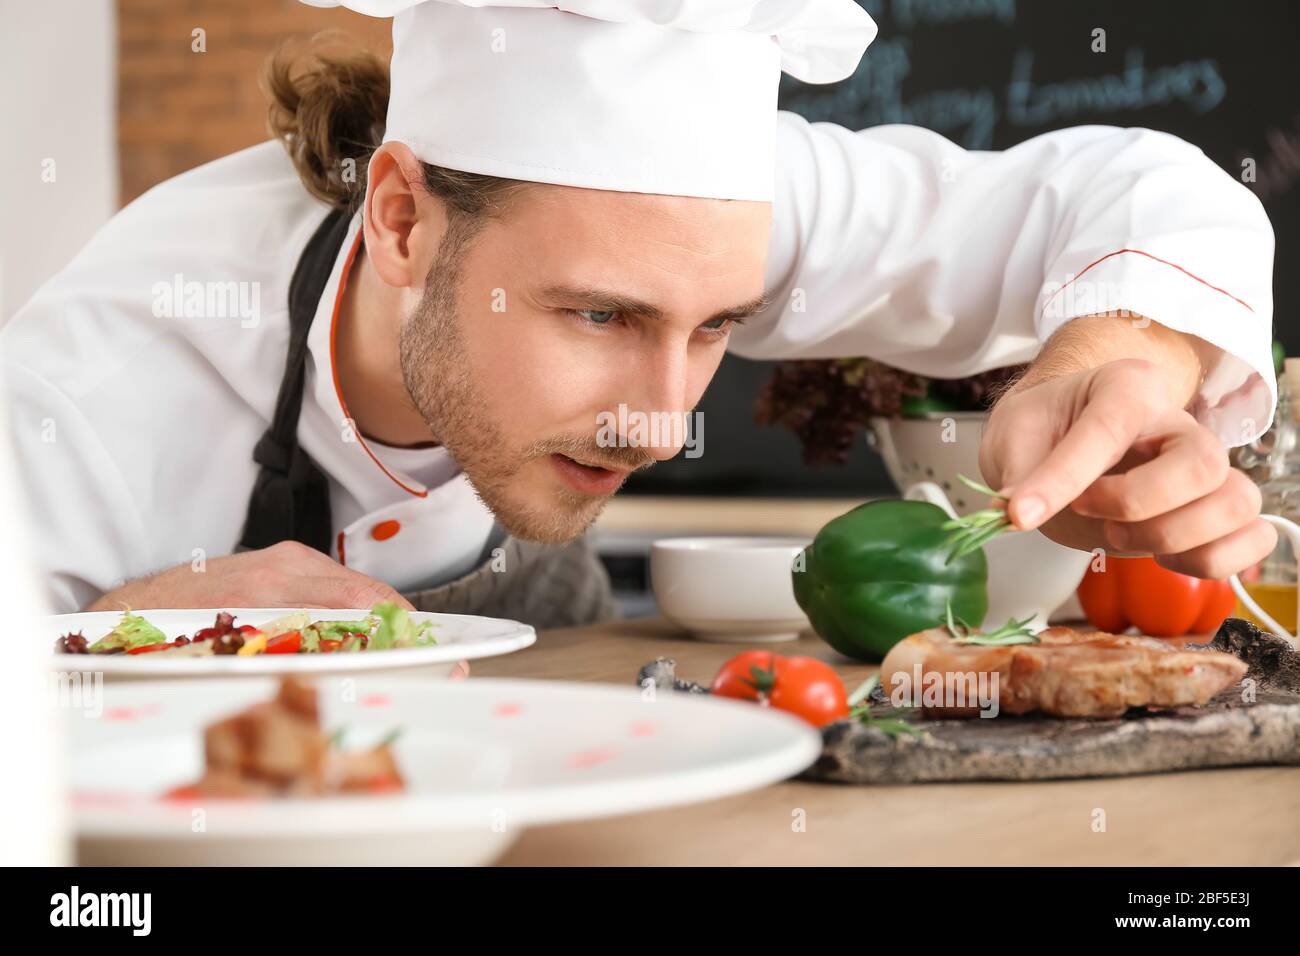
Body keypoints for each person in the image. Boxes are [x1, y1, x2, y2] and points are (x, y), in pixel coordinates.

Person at [0, 0, 1277, 626]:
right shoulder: (91, 395)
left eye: (717, 323)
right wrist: (122, 632)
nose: (660, 424)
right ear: (401, 219)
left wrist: (1117, 351)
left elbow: (1142, 192)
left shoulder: (707, 207)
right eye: (600, 316)